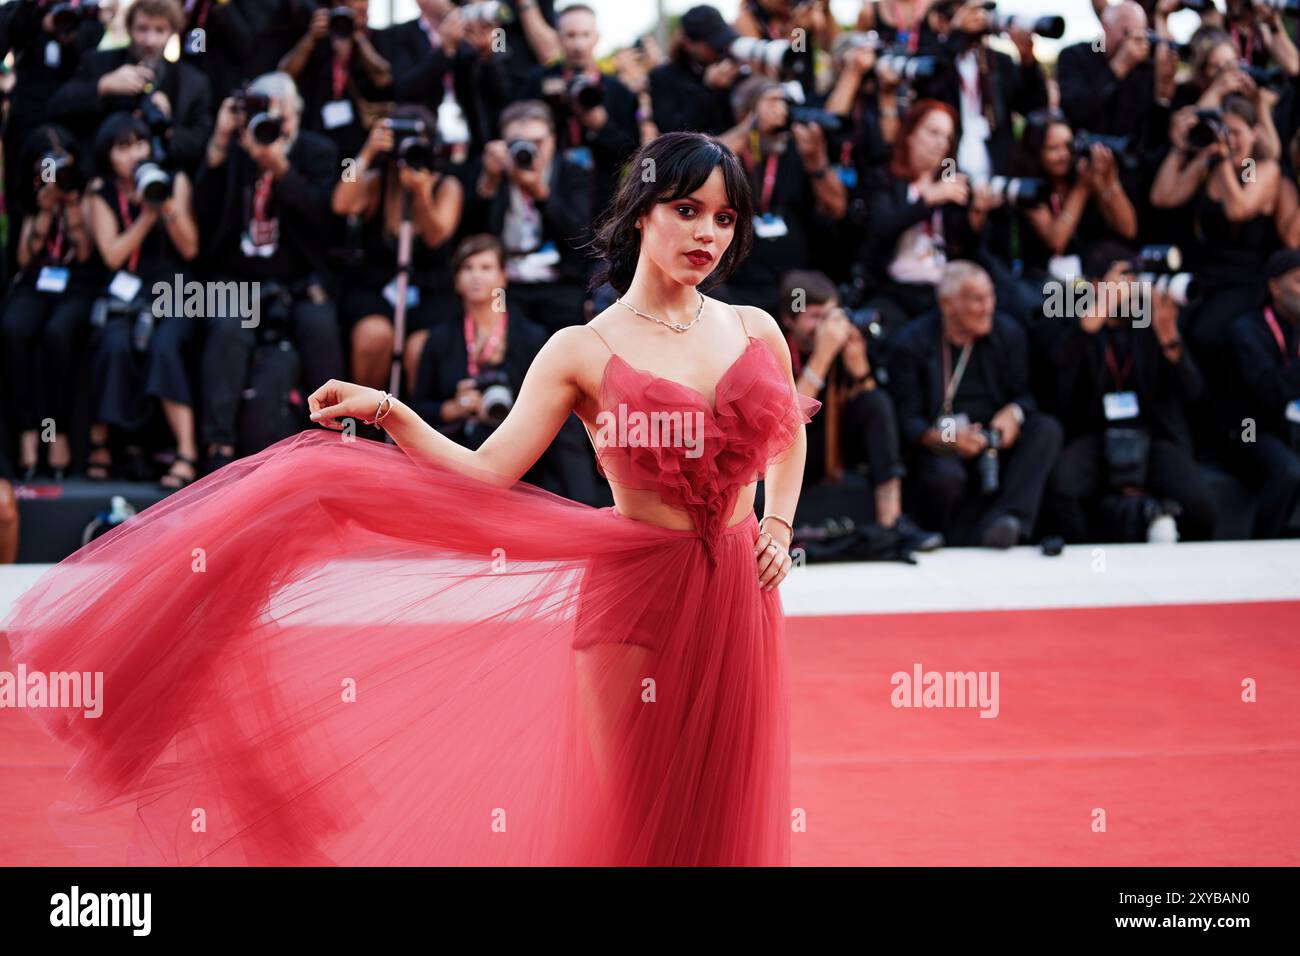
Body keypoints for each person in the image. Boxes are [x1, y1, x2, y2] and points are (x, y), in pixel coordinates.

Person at [0, 131, 821, 866]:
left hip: (739, 594)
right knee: (641, 811)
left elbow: (789, 436)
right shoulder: (583, 347)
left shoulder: (755, 327)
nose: (707, 234)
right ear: (642, 212)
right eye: (687, 209)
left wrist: (778, 521)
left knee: (725, 815)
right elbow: (488, 471)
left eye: (724, 219)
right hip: (636, 601)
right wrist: (391, 413)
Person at [194, 71, 344, 473]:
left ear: (296, 116)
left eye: (282, 117)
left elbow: (325, 222)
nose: (273, 126)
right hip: (237, 281)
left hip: (299, 278)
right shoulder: (235, 154)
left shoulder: (316, 151)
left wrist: (280, 167)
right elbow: (202, 221)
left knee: (320, 327)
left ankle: (333, 442)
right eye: (263, 115)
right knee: (226, 328)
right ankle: (218, 448)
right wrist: (220, 142)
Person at [1040, 243, 1216, 542]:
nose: (1132, 290)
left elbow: (1194, 392)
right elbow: (1057, 378)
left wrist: (1169, 338)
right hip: (1093, 433)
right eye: (1124, 280)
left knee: (1200, 505)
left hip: (1152, 434)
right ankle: (1091, 557)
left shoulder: (1154, 319)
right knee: (1063, 489)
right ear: (1095, 284)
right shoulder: (1068, 317)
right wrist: (1097, 312)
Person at [887, 260, 1063, 547]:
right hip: (942, 445)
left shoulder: (1008, 334)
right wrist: (950, 440)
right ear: (947, 304)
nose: (987, 307)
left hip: (994, 440)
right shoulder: (911, 344)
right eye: (976, 299)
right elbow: (908, 422)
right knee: (945, 475)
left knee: (1045, 429)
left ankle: (1006, 520)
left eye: (990, 296)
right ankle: (948, 537)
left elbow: (1027, 395)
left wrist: (1013, 414)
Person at [85, 112, 202, 489]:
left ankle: (187, 451)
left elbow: (189, 247)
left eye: (139, 143)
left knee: (165, 345)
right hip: (126, 290)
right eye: (122, 147)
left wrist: (164, 204)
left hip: (176, 291)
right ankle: (104, 444)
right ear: (108, 156)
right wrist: (146, 217)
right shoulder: (99, 191)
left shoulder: (175, 179)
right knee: (113, 342)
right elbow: (113, 256)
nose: (134, 153)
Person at [0, 124, 97, 482]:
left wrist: (70, 204)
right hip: (38, 281)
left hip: (77, 283)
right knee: (13, 329)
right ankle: (29, 433)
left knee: (58, 334)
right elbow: (25, 259)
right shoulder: (30, 193)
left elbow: (85, 252)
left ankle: (56, 435)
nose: (56, 174)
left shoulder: (85, 190)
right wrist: (42, 210)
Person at [1227, 248, 1300, 537]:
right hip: (1250, 427)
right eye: (1297, 281)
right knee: (1288, 470)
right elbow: (1269, 392)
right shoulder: (1247, 330)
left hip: (1290, 427)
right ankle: (1264, 544)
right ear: (1274, 287)